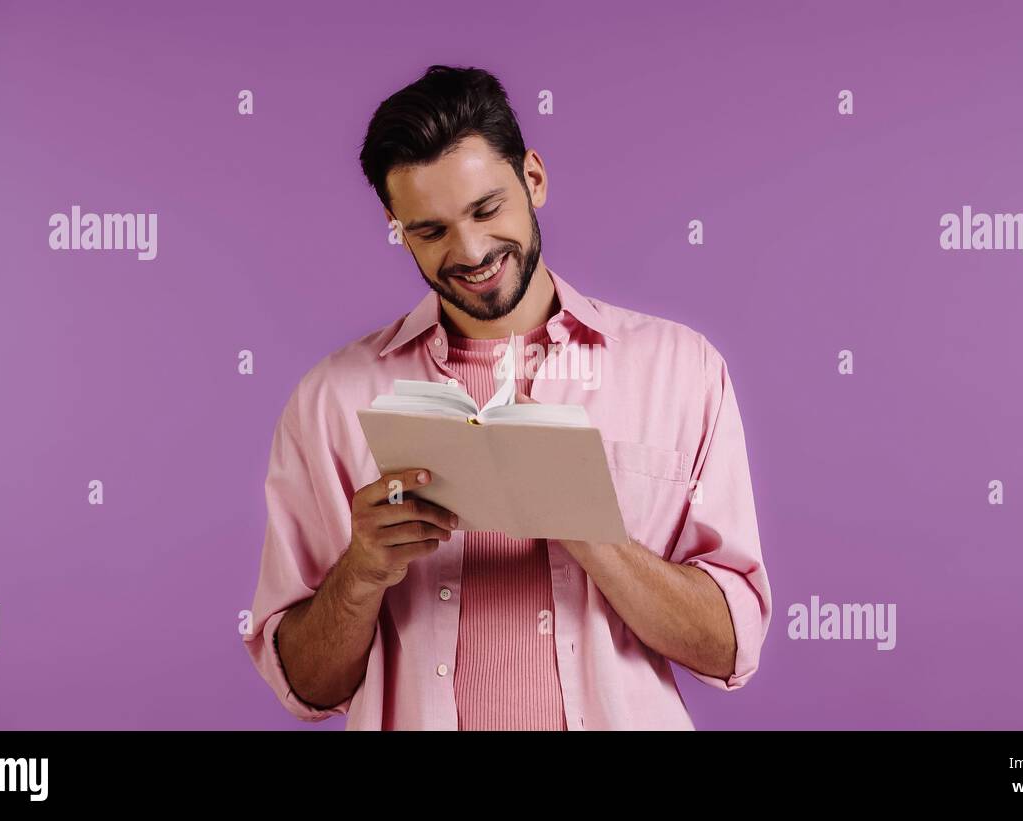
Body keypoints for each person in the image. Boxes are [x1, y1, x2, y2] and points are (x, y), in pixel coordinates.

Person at [243, 65, 772, 730]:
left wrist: (597, 537)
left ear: (535, 178)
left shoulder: (682, 370)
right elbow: (308, 689)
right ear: (395, 224)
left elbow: (730, 645)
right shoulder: (329, 401)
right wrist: (362, 570)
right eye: (429, 230)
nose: (470, 251)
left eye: (487, 209)